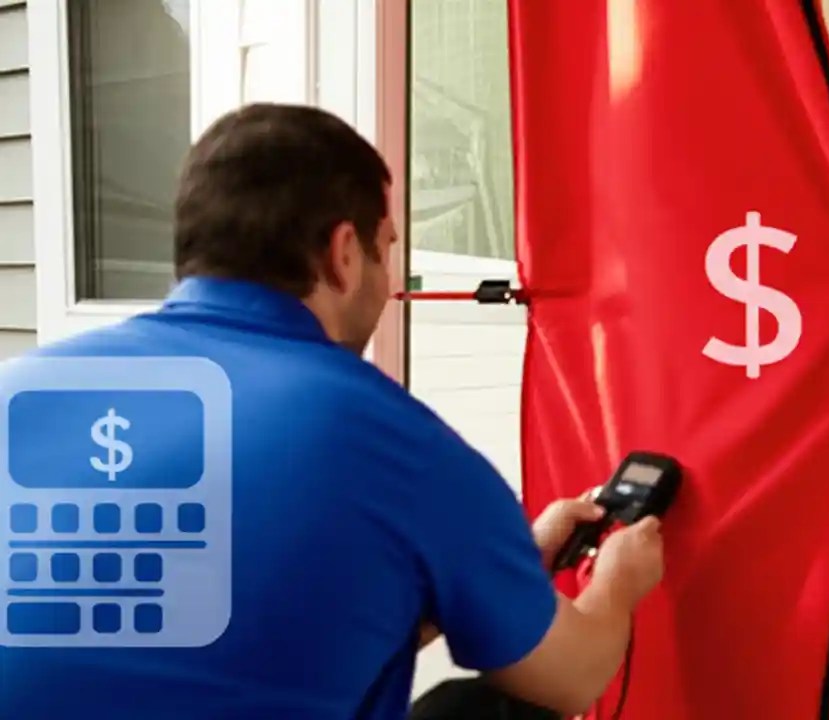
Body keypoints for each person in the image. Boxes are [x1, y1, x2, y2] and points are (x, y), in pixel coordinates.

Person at [0, 103, 664, 719]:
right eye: (389, 249)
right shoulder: (385, 438)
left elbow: (248, 631)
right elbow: (574, 674)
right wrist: (618, 581)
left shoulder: (17, 389)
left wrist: (503, 570)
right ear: (345, 254)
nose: (388, 281)